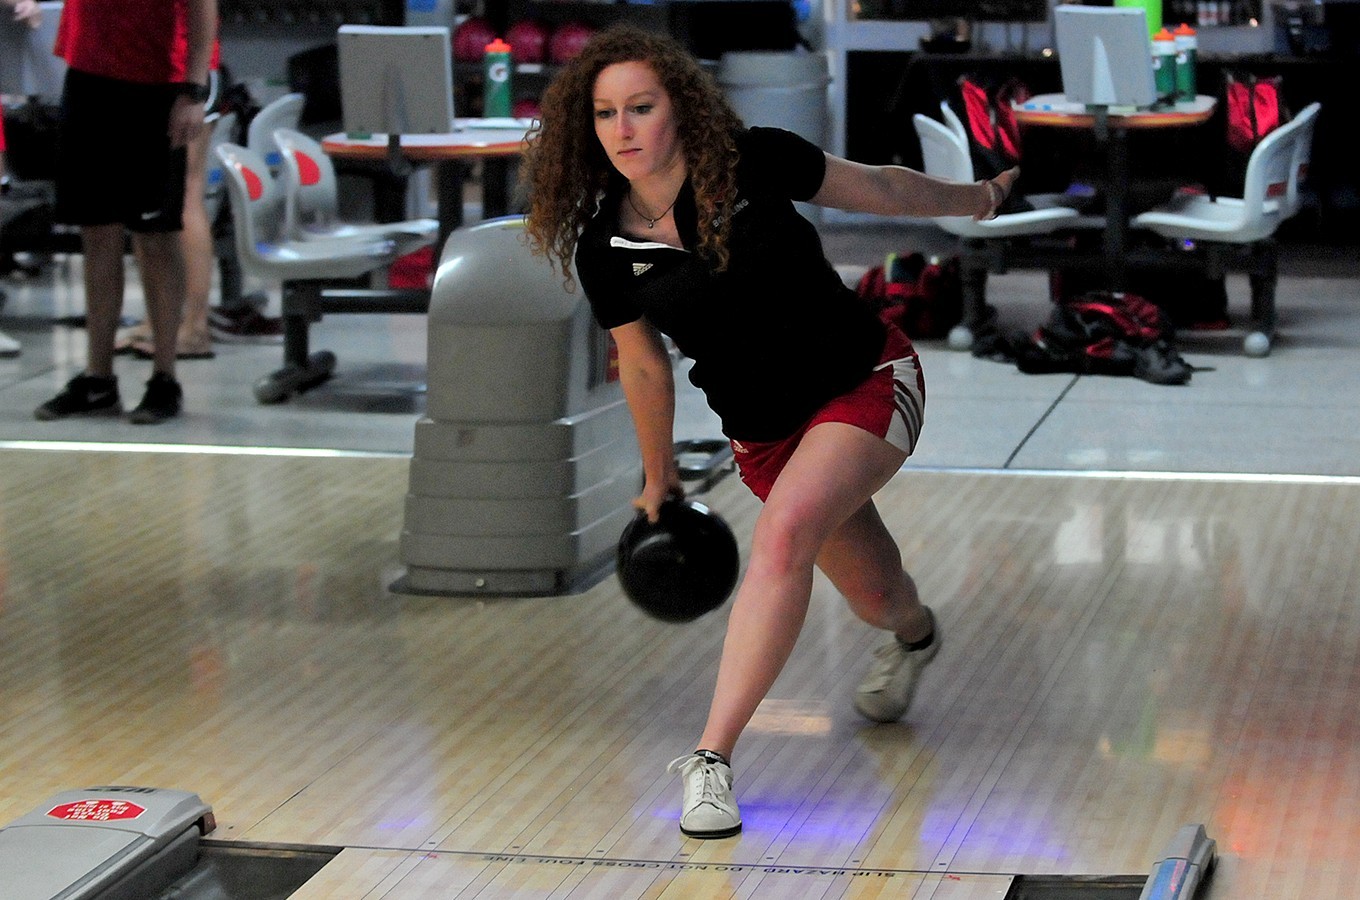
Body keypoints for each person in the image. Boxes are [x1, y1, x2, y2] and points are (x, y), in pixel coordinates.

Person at [521, 25, 1017, 840]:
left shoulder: (753, 161)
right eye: (606, 114)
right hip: (765, 439)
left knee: (783, 535)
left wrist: (976, 198)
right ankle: (916, 635)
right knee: (877, 595)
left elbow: (882, 188)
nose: (623, 129)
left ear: (680, 106)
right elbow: (642, 367)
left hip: (865, 381)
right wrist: (659, 476)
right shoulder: (605, 247)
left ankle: (710, 760)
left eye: (641, 107)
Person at [34, 0, 217, 424]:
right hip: (89, 77)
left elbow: (203, 8)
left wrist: (193, 89)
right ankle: (98, 378)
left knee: (156, 236)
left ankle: (164, 377)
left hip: (157, 83)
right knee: (97, 233)